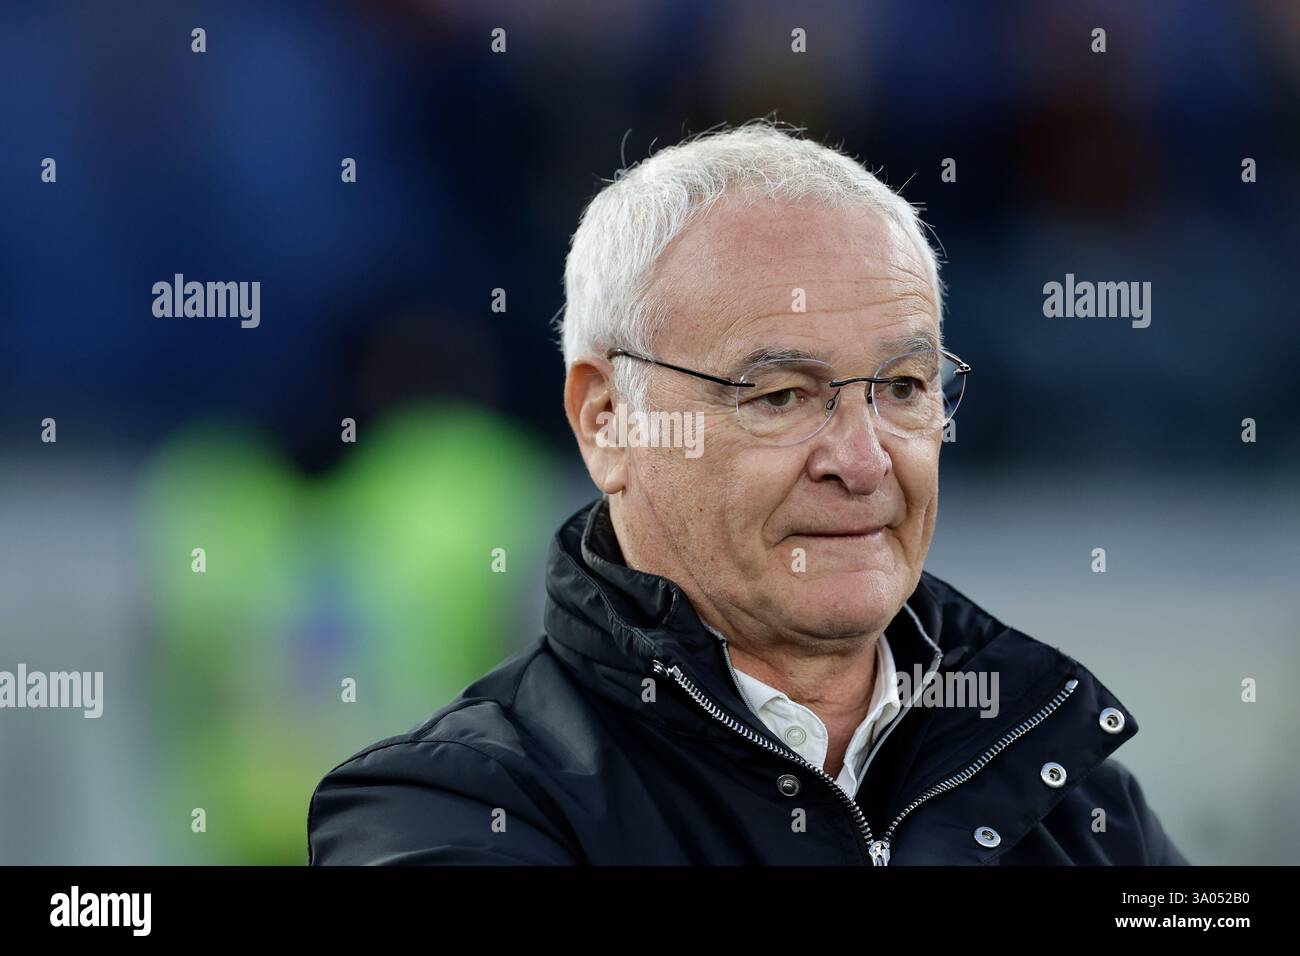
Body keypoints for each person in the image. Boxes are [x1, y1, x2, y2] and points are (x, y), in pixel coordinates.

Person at [308, 122, 1187, 865]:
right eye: (781, 396)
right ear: (608, 421)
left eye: (905, 387)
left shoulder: (1076, 797)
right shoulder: (443, 812)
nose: (865, 460)